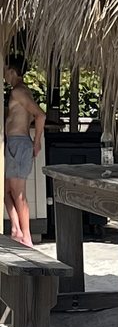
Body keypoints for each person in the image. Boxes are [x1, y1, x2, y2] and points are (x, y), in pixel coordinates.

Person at [4, 60, 45, 247]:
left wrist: (37, 143)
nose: (4, 76)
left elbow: (40, 115)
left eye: (5, 71)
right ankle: (16, 229)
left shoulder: (18, 91)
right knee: (4, 190)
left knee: (18, 193)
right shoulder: (22, 91)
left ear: (12, 71)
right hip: (14, 143)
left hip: (19, 143)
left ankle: (26, 236)